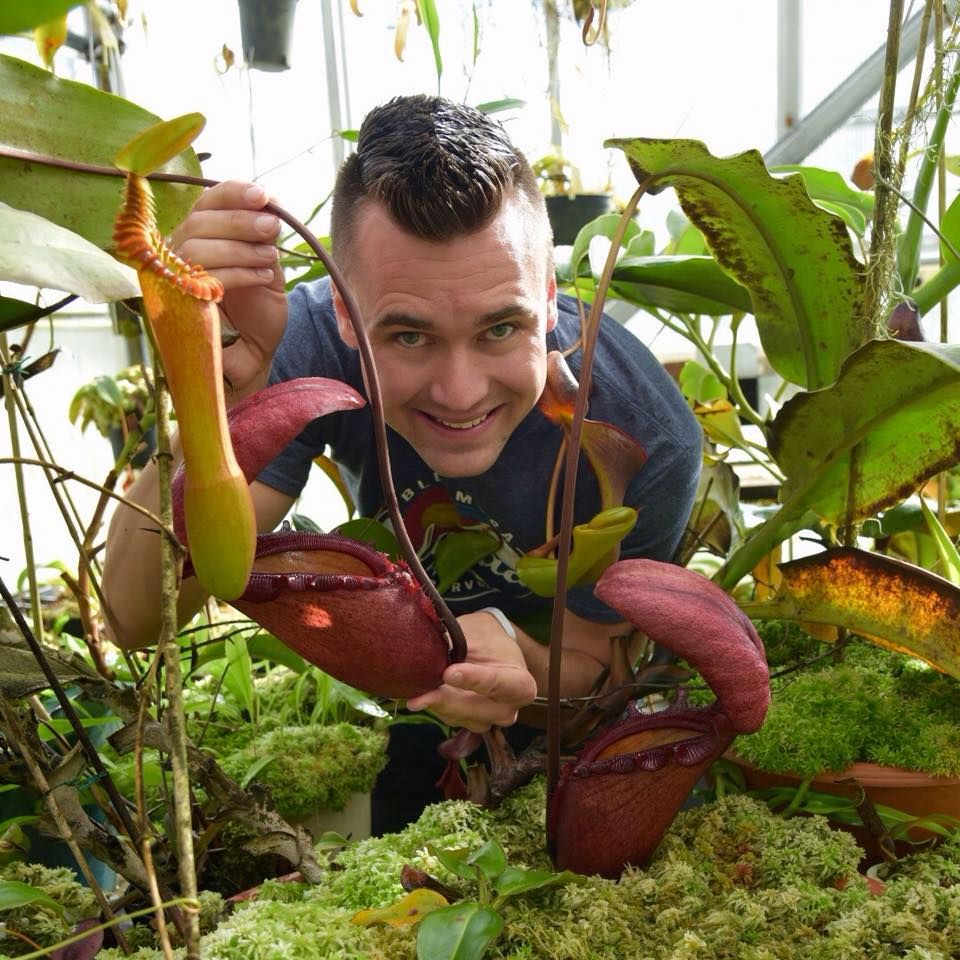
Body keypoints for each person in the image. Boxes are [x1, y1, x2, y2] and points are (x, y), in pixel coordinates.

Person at [102, 95, 702, 833]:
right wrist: (218, 394)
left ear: (548, 299)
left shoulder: (647, 432)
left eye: (499, 328)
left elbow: (594, 664)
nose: (460, 392)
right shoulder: (292, 338)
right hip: (422, 677)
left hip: (574, 707)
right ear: (344, 314)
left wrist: (513, 648)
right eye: (410, 337)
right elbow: (134, 615)